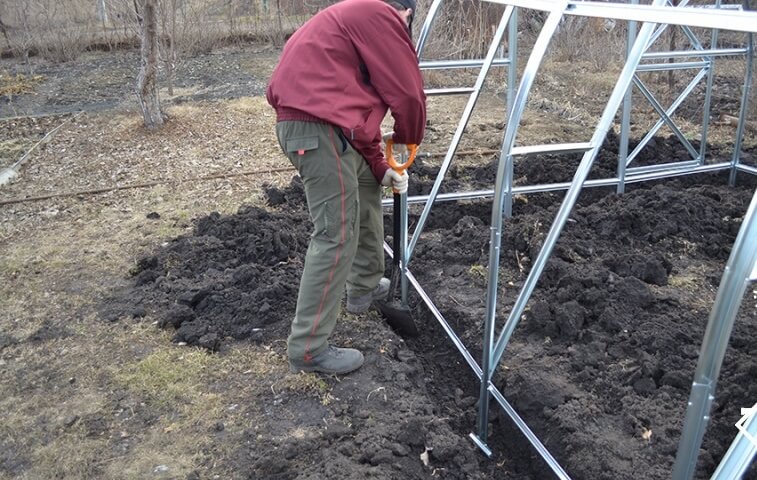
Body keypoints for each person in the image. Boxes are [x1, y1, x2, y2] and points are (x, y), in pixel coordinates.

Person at [266, 0, 426, 375]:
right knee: (335, 235)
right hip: (316, 133)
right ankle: (309, 350)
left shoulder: (351, 19)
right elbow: (407, 93)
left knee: (368, 182)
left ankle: (364, 285)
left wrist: (381, 165)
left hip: (326, 129)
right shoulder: (379, 14)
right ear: (403, 12)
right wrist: (407, 141)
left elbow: (356, 118)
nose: (406, 27)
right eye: (409, 21)